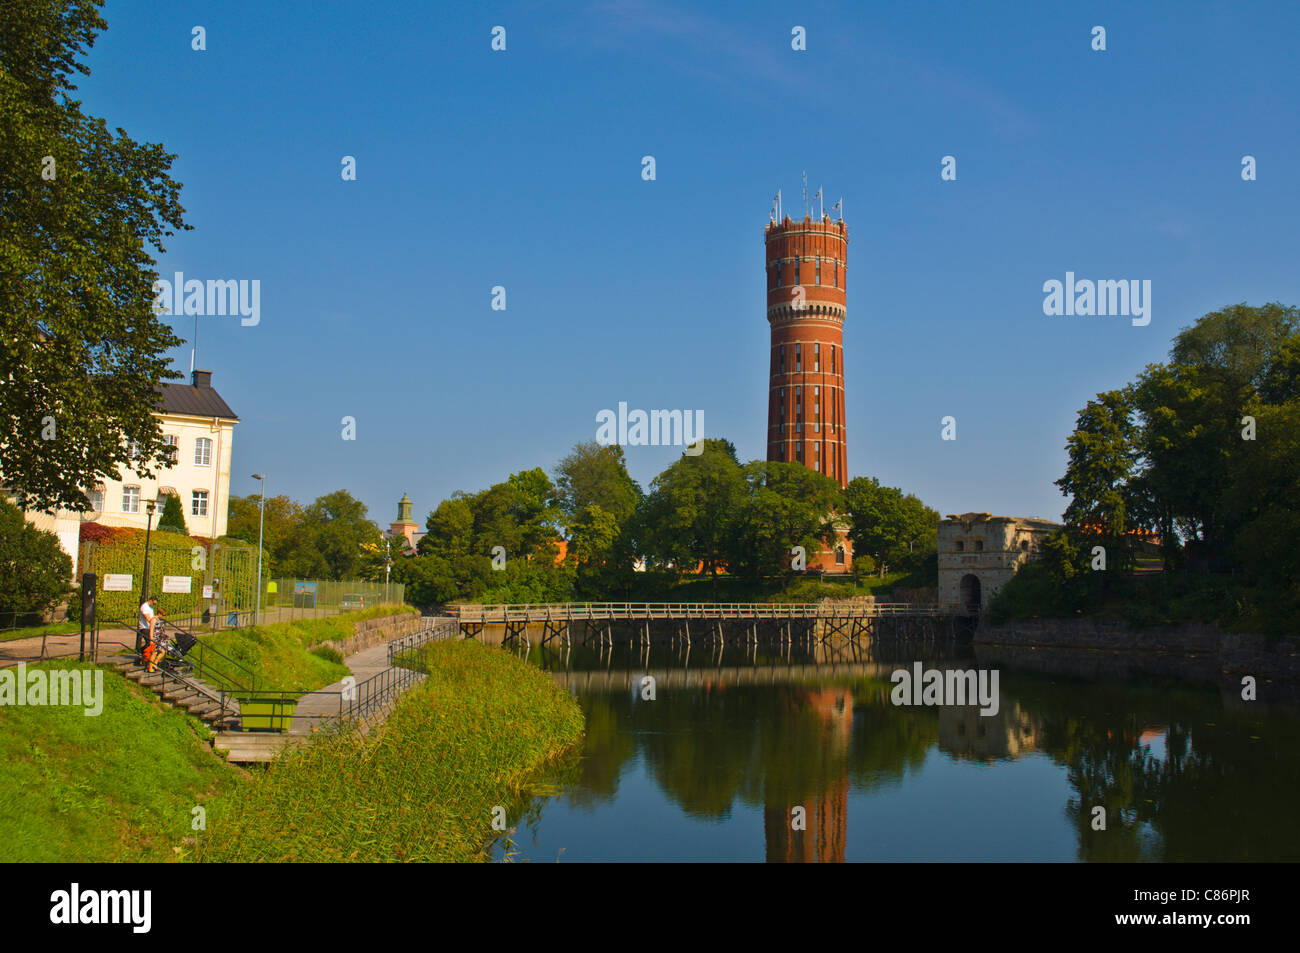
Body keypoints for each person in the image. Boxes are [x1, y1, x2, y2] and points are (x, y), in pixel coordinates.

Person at [136, 596, 159, 663]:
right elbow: (147, 618)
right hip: (144, 627)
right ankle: (141, 652)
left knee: (152, 643)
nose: (154, 605)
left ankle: (144, 654)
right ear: (151, 600)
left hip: (149, 627)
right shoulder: (145, 607)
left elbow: (151, 617)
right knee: (149, 642)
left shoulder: (150, 607)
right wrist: (154, 619)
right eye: (154, 603)